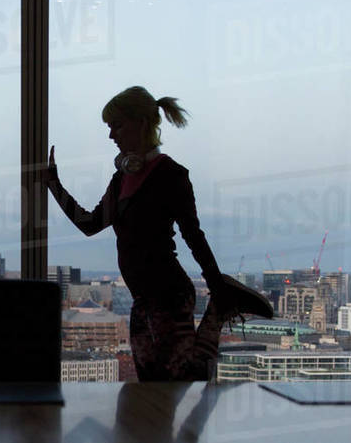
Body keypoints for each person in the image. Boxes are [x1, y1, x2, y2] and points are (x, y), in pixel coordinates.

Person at [47, 86, 273, 381]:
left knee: (182, 379)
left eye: (117, 125)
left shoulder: (171, 175)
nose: (111, 135)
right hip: (142, 298)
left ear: (141, 123)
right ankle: (221, 305)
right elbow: (90, 224)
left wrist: (214, 283)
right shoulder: (121, 180)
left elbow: (193, 235)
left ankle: (219, 306)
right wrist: (54, 184)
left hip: (170, 295)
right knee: (149, 383)